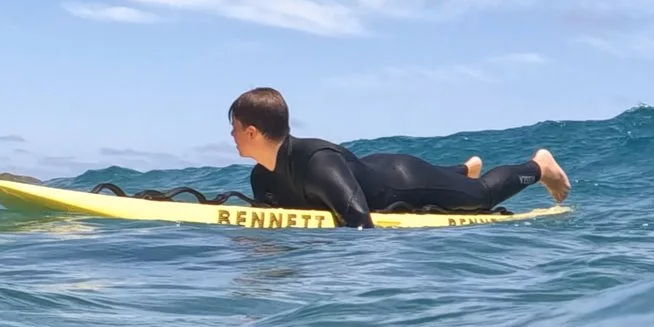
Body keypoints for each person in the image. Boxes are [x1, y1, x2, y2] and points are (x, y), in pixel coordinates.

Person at [227, 87, 570, 229]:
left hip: (402, 181)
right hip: (370, 169)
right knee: (459, 183)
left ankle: (539, 166)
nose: (231, 135)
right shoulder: (261, 177)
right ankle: (461, 169)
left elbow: (360, 223)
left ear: (253, 132)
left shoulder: (318, 163)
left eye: (235, 128)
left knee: (480, 196)